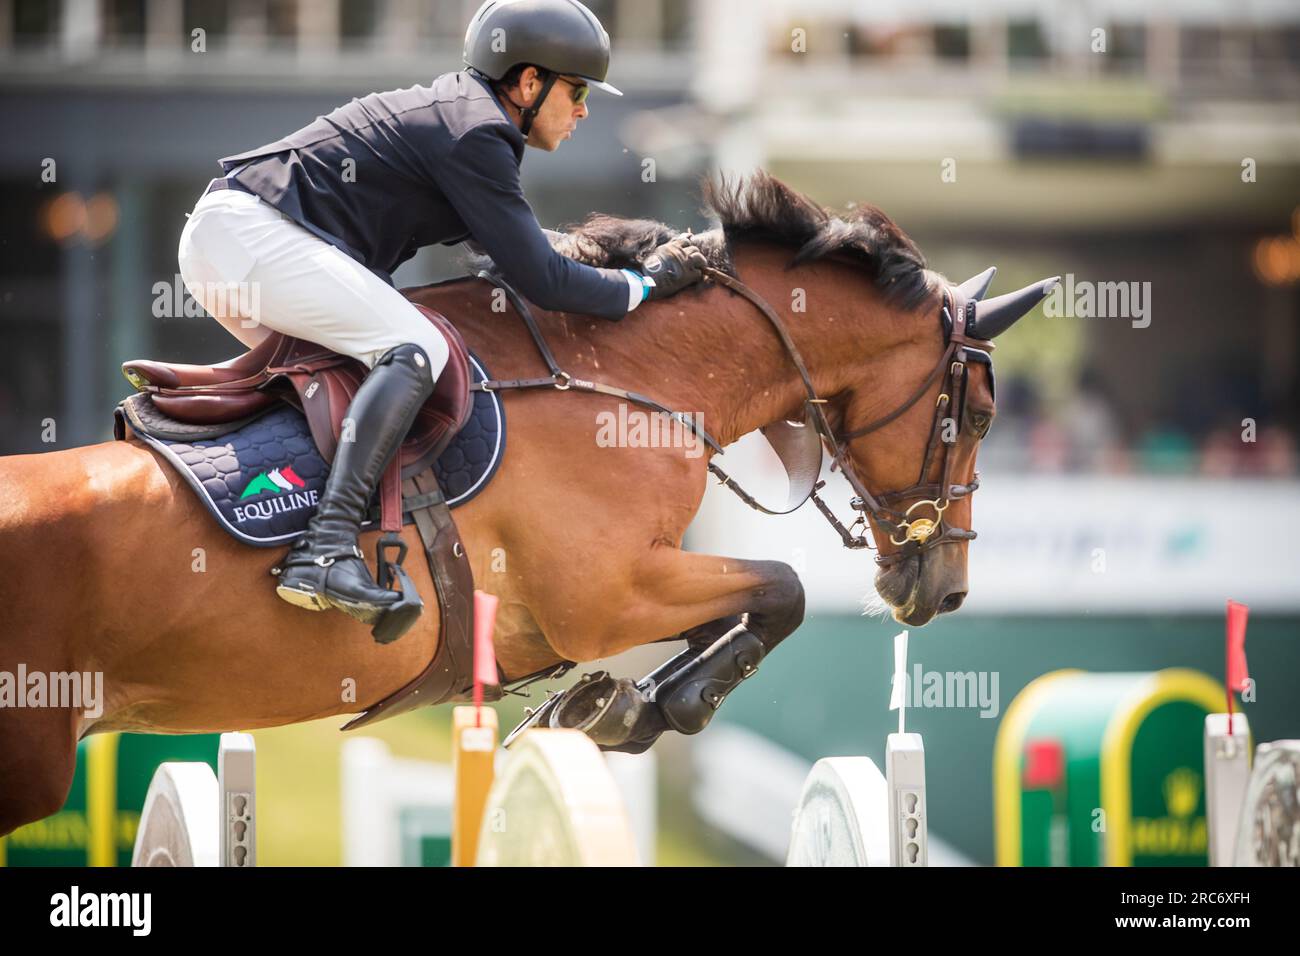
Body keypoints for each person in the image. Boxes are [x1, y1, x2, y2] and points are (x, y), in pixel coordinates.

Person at [176, 0, 706, 636]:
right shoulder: (479, 133)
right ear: (529, 81)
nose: (586, 110)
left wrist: (627, 269)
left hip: (236, 241)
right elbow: (542, 279)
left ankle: (299, 525)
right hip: (250, 237)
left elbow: (521, 253)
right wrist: (644, 285)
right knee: (415, 346)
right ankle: (324, 548)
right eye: (577, 90)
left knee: (356, 375)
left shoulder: (466, 118)